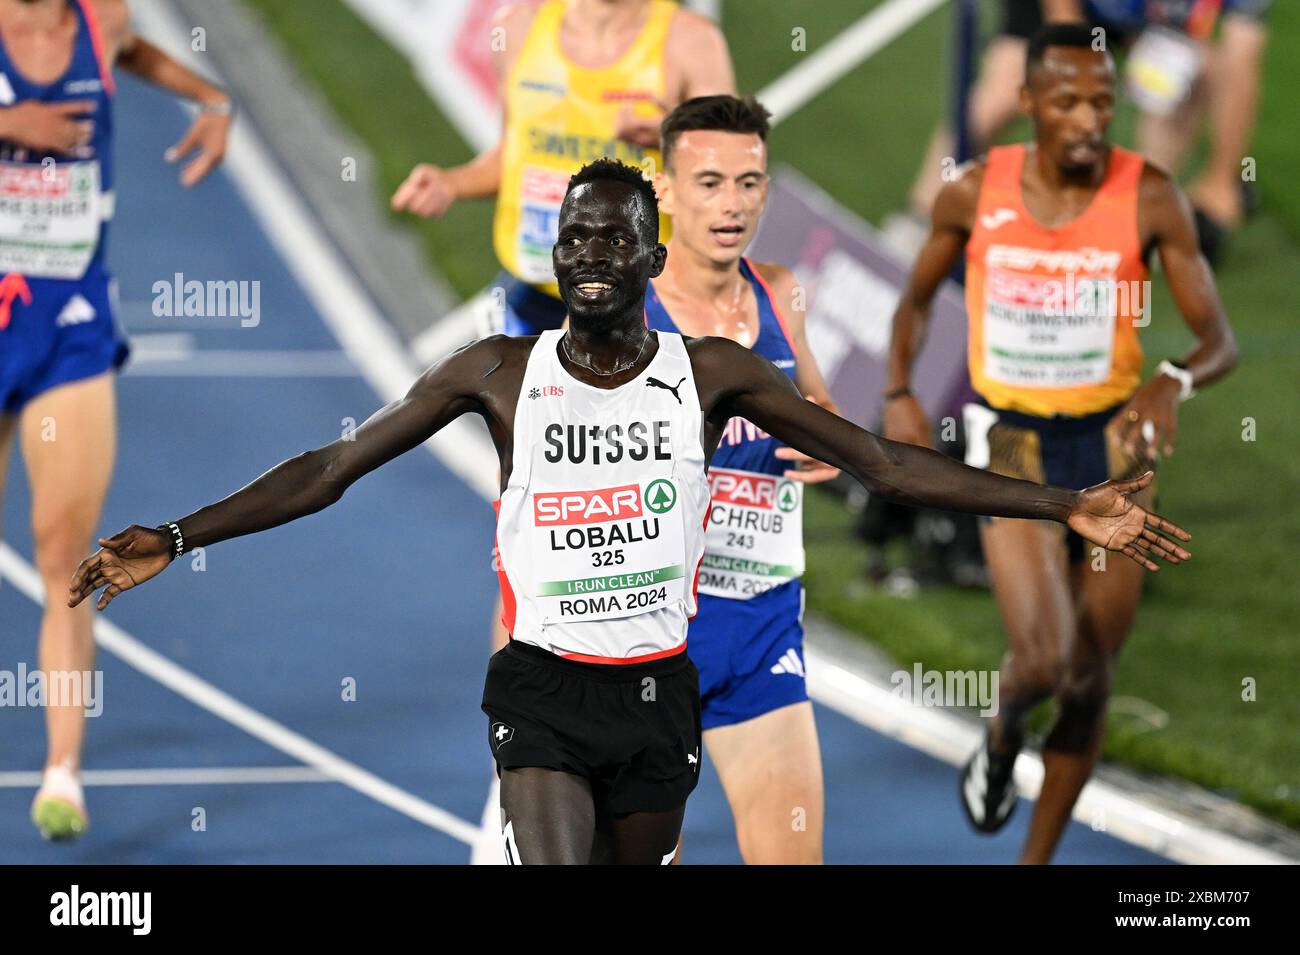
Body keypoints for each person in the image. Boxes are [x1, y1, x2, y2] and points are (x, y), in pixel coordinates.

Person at [70, 158, 1192, 865]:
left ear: (651, 256)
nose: (591, 251)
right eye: (574, 234)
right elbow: (332, 466)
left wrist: (1060, 505)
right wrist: (176, 535)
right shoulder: (498, 373)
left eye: (613, 235)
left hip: (661, 691)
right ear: (554, 255)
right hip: (542, 690)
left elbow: (883, 468)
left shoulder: (710, 374)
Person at [883, 23, 1236, 863]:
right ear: (1029, 102)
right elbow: (916, 299)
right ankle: (1004, 735)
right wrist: (897, 388)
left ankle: (1033, 859)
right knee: (1040, 662)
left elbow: (1215, 337)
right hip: (1010, 442)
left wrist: (1172, 380)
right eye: (1069, 101)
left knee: (1088, 680)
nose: (1089, 120)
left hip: (1117, 449)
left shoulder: (1148, 195)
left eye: (1104, 103)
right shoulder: (974, 192)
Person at [0, 0, 231, 841]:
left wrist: (212, 100)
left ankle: (62, 770)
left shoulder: (103, 19)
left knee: (66, 553)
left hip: (71, 326)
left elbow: (134, 54)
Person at [646, 94, 836, 863]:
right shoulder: (621, 315)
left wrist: (830, 442)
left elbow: (817, 404)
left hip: (761, 622)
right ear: (664, 190)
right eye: (710, 182)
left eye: (749, 184)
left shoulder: (782, 291)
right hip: (649, 635)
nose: (733, 206)